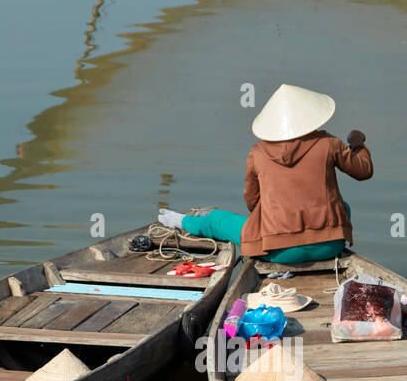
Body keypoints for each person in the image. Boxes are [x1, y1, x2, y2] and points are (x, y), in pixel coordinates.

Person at [156, 84, 372, 264]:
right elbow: (363, 172)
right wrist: (357, 144)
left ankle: (181, 221)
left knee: (216, 219)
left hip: (279, 252)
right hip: (330, 246)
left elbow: (252, 202)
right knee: (344, 208)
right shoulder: (329, 143)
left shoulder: (258, 153)